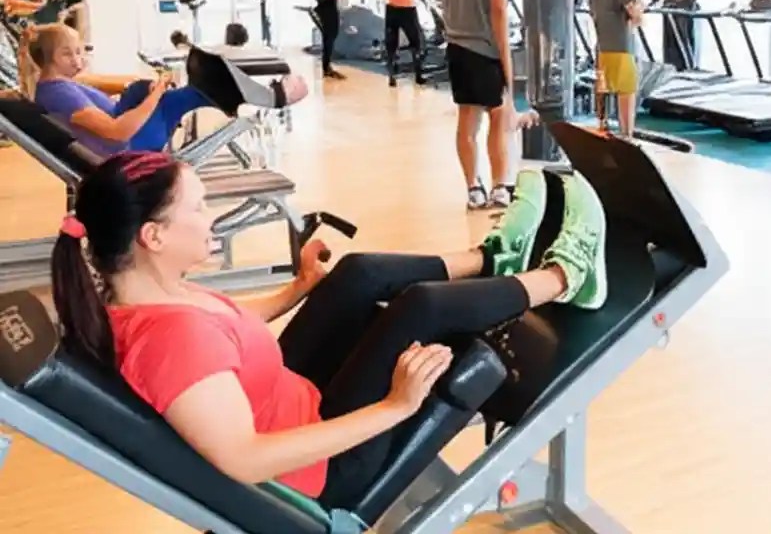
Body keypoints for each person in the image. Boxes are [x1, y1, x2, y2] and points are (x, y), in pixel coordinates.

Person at [50, 152, 608, 510]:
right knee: (420, 308)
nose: (212, 218)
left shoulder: (144, 293)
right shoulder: (173, 341)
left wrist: (299, 289)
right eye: (199, 208)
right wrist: (393, 408)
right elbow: (245, 459)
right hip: (321, 472)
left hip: (286, 397)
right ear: (152, 235)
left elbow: (225, 330)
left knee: (357, 272)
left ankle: (492, 259)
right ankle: (565, 276)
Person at [27, 23, 211, 156]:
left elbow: (101, 83)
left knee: (146, 90)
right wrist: (157, 92)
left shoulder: (57, 85)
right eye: (67, 54)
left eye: (78, 52)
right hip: (128, 146)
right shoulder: (60, 94)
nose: (77, 60)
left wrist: (150, 87)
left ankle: (217, 93)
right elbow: (118, 132)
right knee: (185, 96)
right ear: (46, 58)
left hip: (127, 136)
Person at [442, 0, 515, 209]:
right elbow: (499, 10)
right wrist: (506, 59)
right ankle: (500, 187)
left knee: (467, 122)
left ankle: (473, 188)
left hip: (457, 48)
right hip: (484, 50)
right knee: (499, 118)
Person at [587, 0, 645, 138]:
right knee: (626, 90)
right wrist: (640, 8)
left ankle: (602, 126)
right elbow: (635, 14)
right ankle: (627, 133)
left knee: (603, 86)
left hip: (602, 43)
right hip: (621, 44)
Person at [312, 0, 345, 80]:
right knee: (329, 37)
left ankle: (327, 66)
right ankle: (326, 68)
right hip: (326, 10)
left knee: (331, 36)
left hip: (331, 8)